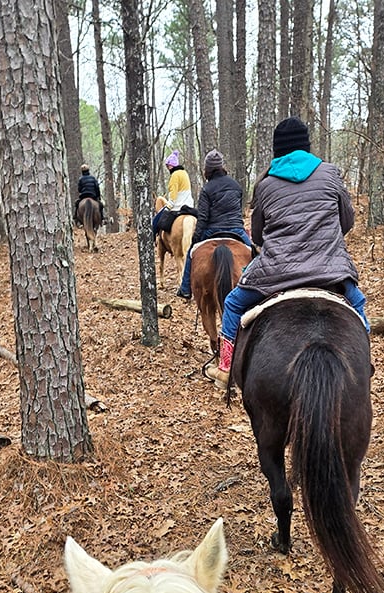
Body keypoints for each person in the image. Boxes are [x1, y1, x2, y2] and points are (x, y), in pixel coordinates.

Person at [204, 117, 369, 389]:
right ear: (306, 146)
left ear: (276, 150)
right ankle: (364, 369)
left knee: (233, 304)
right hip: (332, 272)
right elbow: (347, 221)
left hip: (275, 273)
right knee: (359, 307)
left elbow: (257, 237)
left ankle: (224, 368)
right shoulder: (330, 173)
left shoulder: (265, 185)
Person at [176, 149, 253, 299]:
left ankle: (185, 288)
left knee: (192, 253)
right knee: (255, 253)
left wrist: (196, 239)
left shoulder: (207, 189)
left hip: (212, 230)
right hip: (236, 230)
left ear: (207, 169)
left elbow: (203, 218)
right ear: (222, 167)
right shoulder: (236, 186)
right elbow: (238, 211)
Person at [152, 150, 194, 238]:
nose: (167, 168)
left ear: (172, 165)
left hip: (178, 206)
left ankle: (152, 240)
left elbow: (173, 194)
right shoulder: (184, 173)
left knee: (155, 221)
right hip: (189, 206)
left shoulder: (175, 175)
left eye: (168, 165)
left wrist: (169, 205)